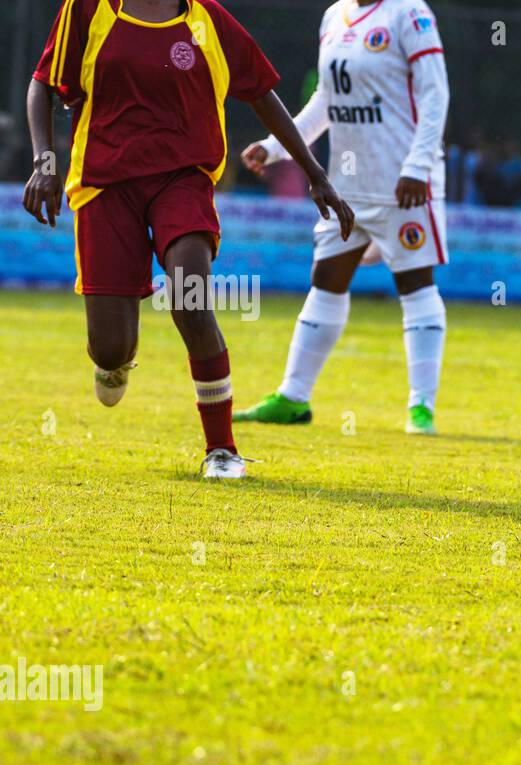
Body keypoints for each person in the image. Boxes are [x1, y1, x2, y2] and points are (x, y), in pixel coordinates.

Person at [23, 0, 353, 479]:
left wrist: (315, 173)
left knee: (190, 298)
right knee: (110, 347)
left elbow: (261, 93)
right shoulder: (89, 9)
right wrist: (43, 162)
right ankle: (115, 361)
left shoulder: (209, 20)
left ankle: (222, 450)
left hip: (184, 178)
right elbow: (42, 83)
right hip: (105, 184)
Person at [235, 0, 450, 436]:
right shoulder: (334, 16)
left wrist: (417, 166)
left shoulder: (409, 13)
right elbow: (326, 103)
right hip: (348, 183)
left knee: (414, 282)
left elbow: (435, 94)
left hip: (402, 182)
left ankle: (420, 408)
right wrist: (276, 148)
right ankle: (293, 397)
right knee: (326, 278)